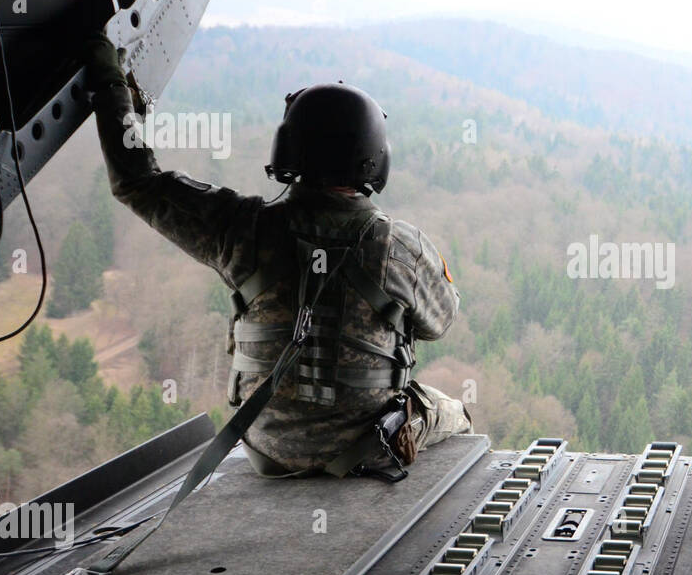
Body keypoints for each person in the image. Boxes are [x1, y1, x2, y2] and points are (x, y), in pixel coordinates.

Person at [84, 36, 471, 480]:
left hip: (264, 445)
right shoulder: (401, 248)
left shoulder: (240, 227)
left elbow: (137, 182)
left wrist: (111, 86)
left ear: (287, 149)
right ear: (375, 159)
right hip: (365, 447)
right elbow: (439, 323)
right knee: (454, 413)